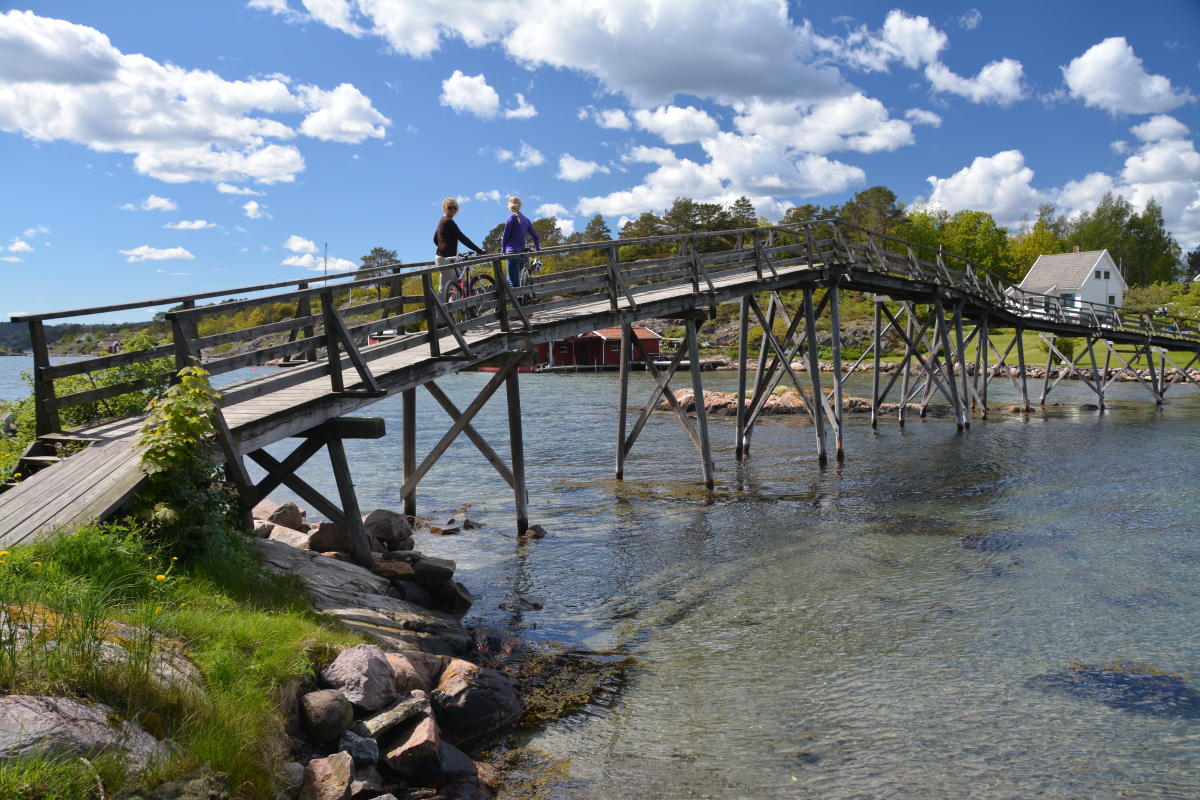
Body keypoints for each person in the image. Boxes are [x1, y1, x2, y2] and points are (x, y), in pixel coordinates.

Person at [433, 197, 483, 291]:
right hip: (445, 259)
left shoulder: (442, 220)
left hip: (445, 258)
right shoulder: (448, 221)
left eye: (455, 208)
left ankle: (453, 303)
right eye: (450, 207)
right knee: (444, 289)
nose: (453, 210)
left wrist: (443, 247)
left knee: (459, 283)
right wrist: (478, 250)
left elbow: (435, 239)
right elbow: (463, 238)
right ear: (445, 208)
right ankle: (441, 305)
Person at [500, 196, 541, 286]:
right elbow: (535, 236)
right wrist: (538, 248)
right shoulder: (526, 220)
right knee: (515, 280)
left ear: (509, 206)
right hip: (523, 254)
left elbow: (505, 236)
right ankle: (522, 298)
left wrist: (503, 250)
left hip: (512, 253)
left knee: (513, 283)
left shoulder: (510, 218)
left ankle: (517, 300)